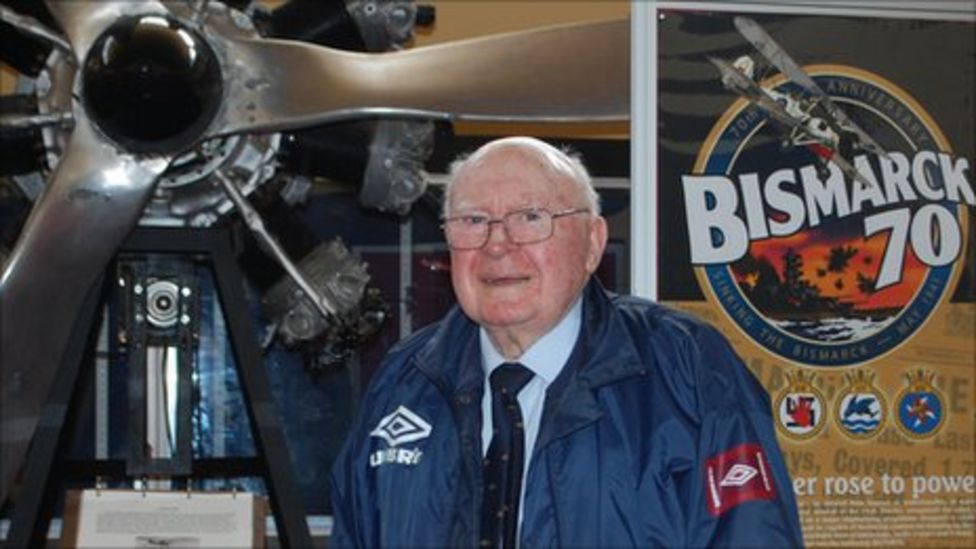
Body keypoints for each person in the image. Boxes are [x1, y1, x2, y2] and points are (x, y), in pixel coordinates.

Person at [329, 137, 804, 547]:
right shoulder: (402, 385)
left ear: (593, 244)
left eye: (530, 217)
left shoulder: (688, 369)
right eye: (473, 221)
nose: (497, 245)